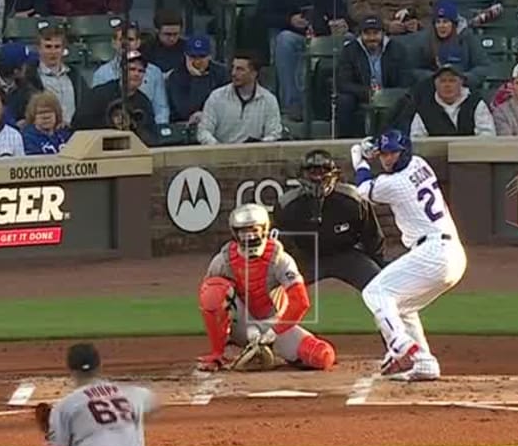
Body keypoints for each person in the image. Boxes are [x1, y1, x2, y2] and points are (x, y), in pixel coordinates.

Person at [350, 128, 468, 382]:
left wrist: (359, 159)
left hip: (434, 252)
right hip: (450, 254)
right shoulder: (419, 164)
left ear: (404, 152)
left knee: (375, 292)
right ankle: (424, 362)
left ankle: (399, 344)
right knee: (401, 306)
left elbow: (364, 189)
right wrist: (374, 149)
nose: (388, 159)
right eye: (384, 154)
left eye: (393, 153)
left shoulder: (395, 184)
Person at [194, 203, 341, 372]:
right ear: (235, 233)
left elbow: (300, 301)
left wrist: (274, 331)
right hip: (240, 325)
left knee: (322, 356)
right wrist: (239, 332)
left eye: (254, 230)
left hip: (274, 324)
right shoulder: (223, 261)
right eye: (243, 231)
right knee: (213, 291)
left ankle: (271, 351)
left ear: (264, 229)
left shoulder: (280, 260)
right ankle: (220, 352)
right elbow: (209, 302)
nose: (249, 237)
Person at [273, 148, 386, 292]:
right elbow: (278, 243)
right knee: (274, 290)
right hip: (306, 257)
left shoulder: (353, 199)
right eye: (312, 173)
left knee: (382, 286)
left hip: (346, 255)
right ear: (302, 174)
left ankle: (392, 314)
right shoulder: (287, 204)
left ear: (333, 175)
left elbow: (372, 236)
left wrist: (377, 262)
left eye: (323, 172)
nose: (318, 178)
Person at [261, 0, 349, 119]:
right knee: (285, 40)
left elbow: (341, 13)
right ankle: (292, 105)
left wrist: (341, 24)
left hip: (325, 35)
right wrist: (289, 20)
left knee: (351, 40)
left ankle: (339, 105)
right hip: (295, 36)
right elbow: (262, 16)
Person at [196, 53, 283, 144]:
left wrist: (256, 148)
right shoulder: (217, 97)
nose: (233, 73)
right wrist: (219, 148)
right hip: (221, 154)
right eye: (233, 68)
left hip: (254, 155)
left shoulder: (269, 100)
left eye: (240, 69)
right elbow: (204, 131)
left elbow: (274, 134)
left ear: (254, 73)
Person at [90, 26, 171, 125]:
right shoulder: (101, 73)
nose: (125, 44)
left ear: (138, 43)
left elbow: (161, 110)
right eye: (121, 40)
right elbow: (95, 110)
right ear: (114, 43)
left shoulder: (154, 72)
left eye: (130, 40)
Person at [78, 50, 159, 143]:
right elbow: (80, 124)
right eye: (132, 69)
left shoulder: (144, 103)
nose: (136, 74)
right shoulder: (99, 94)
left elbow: (152, 137)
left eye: (141, 71)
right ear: (121, 71)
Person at [408, 0, 491, 86]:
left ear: (454, 24)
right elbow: (414, 70)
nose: (441, 26)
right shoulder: (425, 40)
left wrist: (464, 78)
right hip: (433, 88)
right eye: (438, 22)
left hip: (463, 87)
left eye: (445, 22)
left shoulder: (467, 38)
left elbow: (482, 66)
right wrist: (434, 78)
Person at [167, 35, 228, 125]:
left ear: (210, 56)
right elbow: (184, 111)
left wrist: (205, 114)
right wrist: (198, 77)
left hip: (217, 122)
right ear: (186, 56)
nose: (197, 61)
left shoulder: (221, 73)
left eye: (202, 56)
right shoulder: (176, 75)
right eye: (193, 56)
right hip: (186, 125)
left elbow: (225, 104)